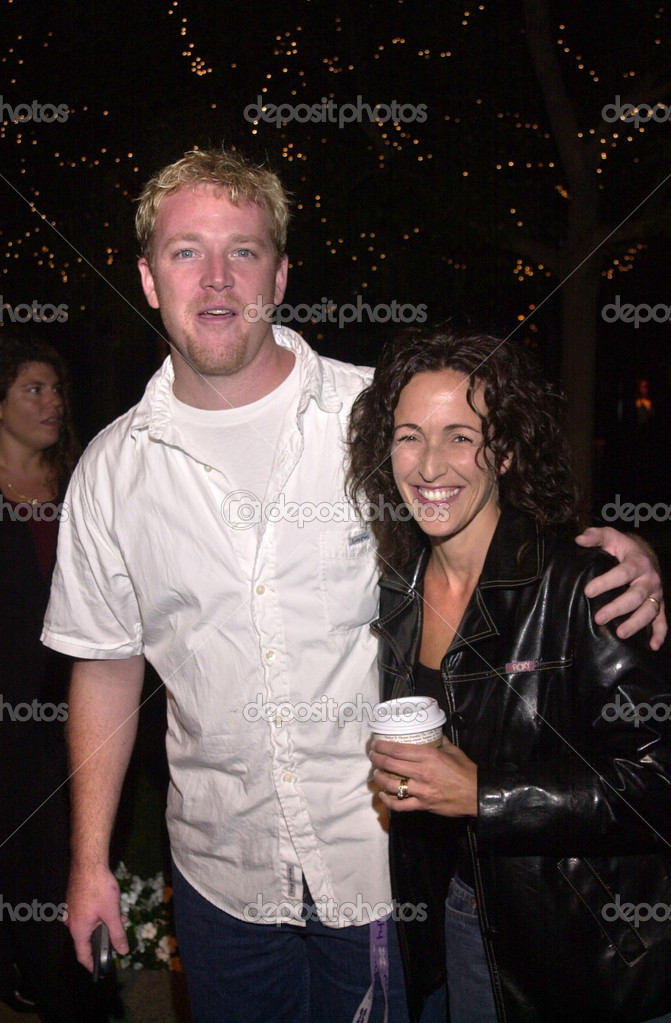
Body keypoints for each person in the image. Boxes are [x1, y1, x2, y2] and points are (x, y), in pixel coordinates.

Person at [40, 149, 664, 1023]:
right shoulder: (109, 472)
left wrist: (625, 550)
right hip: (221, 876)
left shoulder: (379, 421)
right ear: (147, 278)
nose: (217, 278)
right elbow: (106, 668)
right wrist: (88, 862)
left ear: (281, 274)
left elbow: (510, 535)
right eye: (187, 251)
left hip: (381, 868)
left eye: (244, 251)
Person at [346, 329, 671, 1023]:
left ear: (506, 449)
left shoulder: (586, 583)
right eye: (408, 435)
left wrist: (485, 794)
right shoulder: (395, 592)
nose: (429, 463)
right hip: (466, 922)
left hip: (591, 945)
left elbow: (659, 779)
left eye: (460, 435)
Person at [0, 334, 105, 1022]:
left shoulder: (81, 488)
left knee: (67, 852)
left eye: (57, 389)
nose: (54, 402)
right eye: (33, 389)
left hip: (77, 710)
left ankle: (71, 987)